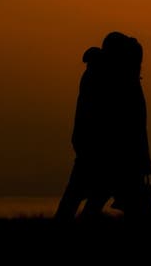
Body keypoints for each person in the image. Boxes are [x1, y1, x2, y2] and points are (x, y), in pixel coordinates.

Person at [55, 32, 151, 219]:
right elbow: (134, 126)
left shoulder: (99, 75)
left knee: (79, 199)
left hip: (98, 153)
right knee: (83, 198)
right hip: (111, 156)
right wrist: (142, 159)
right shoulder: (118, 81)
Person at [55, 46, 110, 219]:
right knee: (82, 190)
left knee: (84, 190)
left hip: (86, 143)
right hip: (90, 145)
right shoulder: (94, 80)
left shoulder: (91, 79)